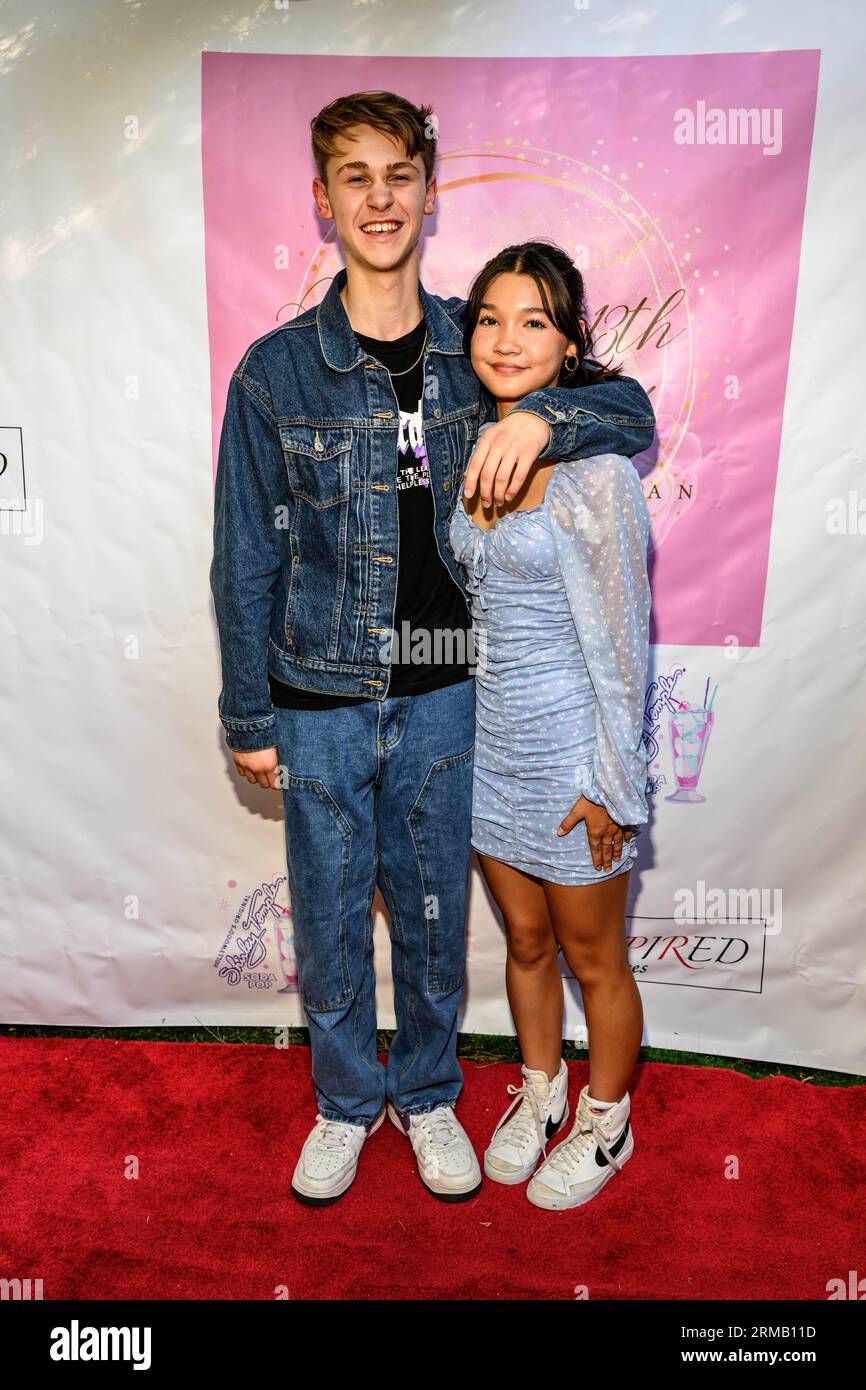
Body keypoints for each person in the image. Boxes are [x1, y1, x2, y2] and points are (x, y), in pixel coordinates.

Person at [209, 91, 655, 1207]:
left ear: (427, 192)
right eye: (352, 177)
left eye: (397, 173)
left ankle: (425, 1094)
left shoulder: (483, 344)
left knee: (427, 911)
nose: (377, 196)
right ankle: (343, 1101)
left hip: (454, 683)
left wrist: (539, 420)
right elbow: (242, 558)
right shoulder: (275, 371)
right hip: (315, 688)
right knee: (325, 909)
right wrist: (249, 713)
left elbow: (630, 408)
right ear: (321, 201)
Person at [448, 241, 652, 1211]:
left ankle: (605, 1119)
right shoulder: (459, 447)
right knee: (523, 946)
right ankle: (539, 1092)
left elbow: (623, 645)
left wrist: (613, 783)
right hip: (488, 757)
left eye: (532, 320)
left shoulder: (597, 475)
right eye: (488, 317)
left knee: (592, 958)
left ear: (569, 347)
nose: (504, 337)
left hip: (574, 759)